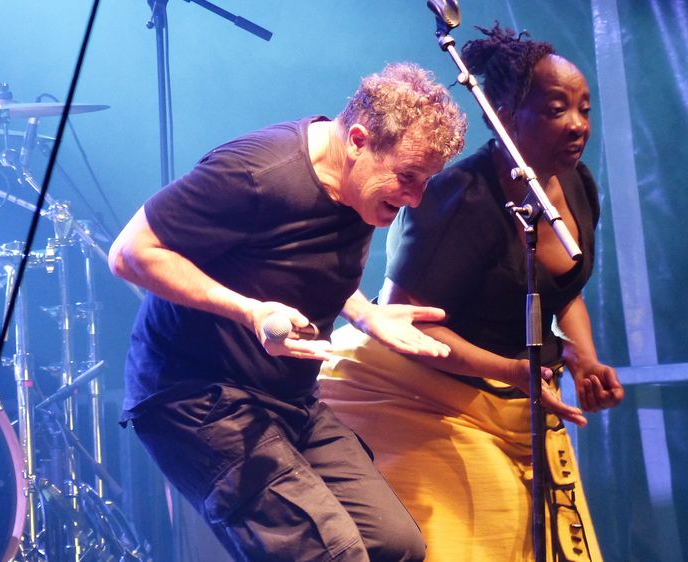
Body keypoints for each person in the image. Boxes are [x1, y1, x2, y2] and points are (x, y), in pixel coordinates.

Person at [108, 62, 466, 561]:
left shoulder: (355, 184)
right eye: (408, 177)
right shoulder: (258, 173)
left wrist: (367, 315)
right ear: (359, 140)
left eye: (426, 181)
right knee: (331, 555)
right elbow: (130, 253)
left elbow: (295, 259)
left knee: (395, 546)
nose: (415, 198)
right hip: (196, 400)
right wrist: (251, 311)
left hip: (291, 400)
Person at [319, 26, 624, 561]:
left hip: (512, 396)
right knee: (490, 529)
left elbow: (561, 292)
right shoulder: (457, 200)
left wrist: (584, 359)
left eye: (584, 109)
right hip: (415, 392)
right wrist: (511, 371)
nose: (578, 125)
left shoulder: (576, 187)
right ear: (504, 114)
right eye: (556, 109)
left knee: (551, 544)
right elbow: (404, 321)